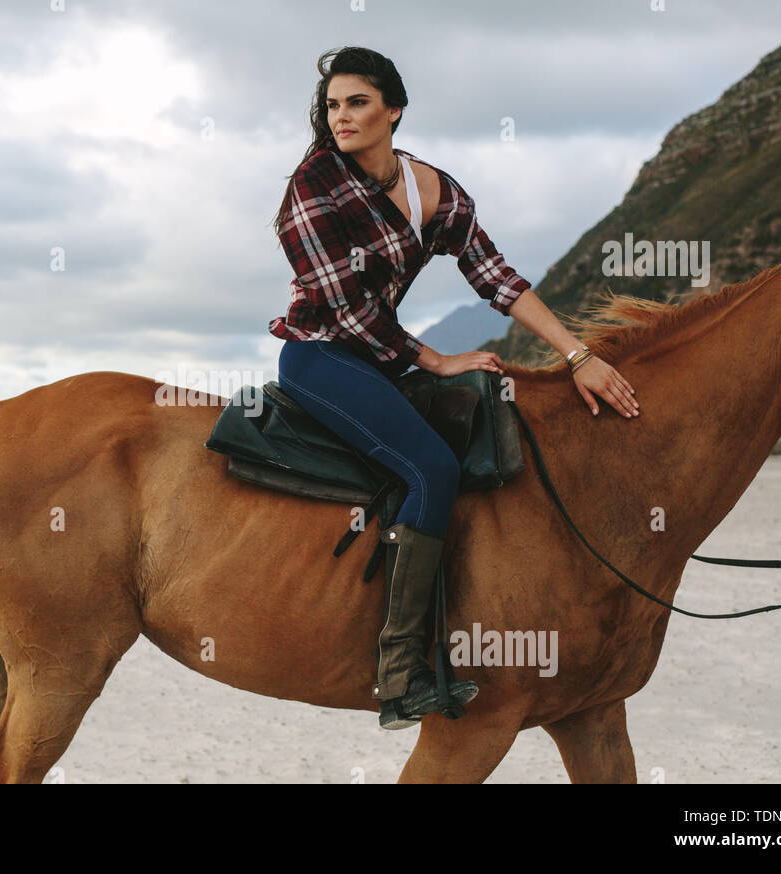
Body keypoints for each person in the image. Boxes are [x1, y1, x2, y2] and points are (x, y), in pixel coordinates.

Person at [269, 47, 640, 730]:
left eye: (357, 103)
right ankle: (401, 671)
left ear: (394, 110)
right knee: (431, 467)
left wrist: (577, 353)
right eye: (332, 106)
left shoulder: (435, 191)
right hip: (323, 356)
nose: (341, 117)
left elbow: (495, 275)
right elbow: (346, 309)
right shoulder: (313, 186)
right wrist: (434, 360)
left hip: (382, 360)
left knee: (498, 421)